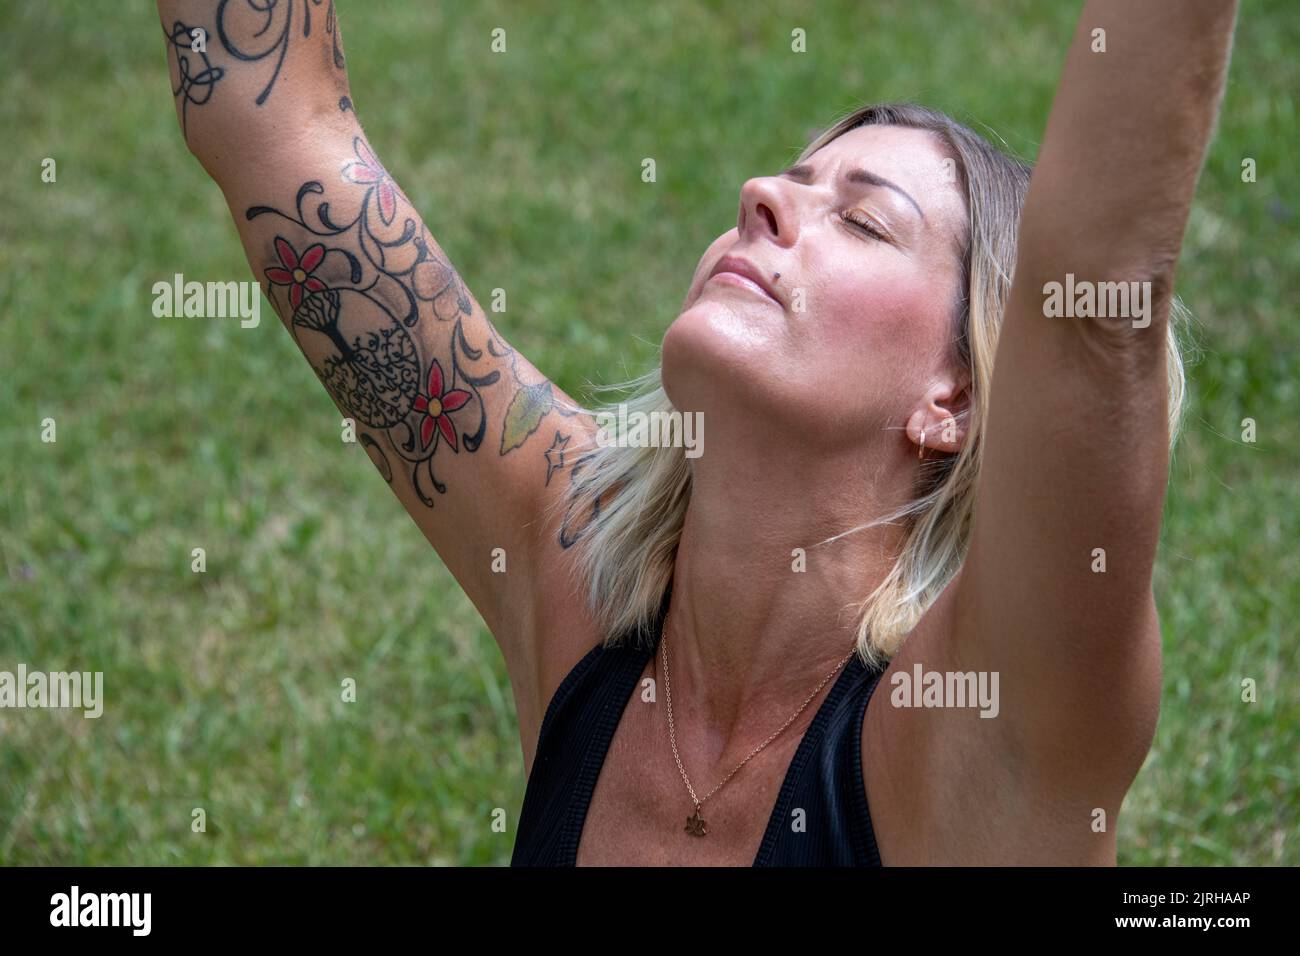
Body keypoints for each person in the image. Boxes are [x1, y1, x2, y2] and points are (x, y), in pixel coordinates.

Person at [156, 0, 1239, 865]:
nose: (762, 193)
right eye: (791, 179)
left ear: (954, 397)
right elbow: (273, 124)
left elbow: (1096, 298)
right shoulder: (568, 561)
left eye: (862, 220)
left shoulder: (997, 716)